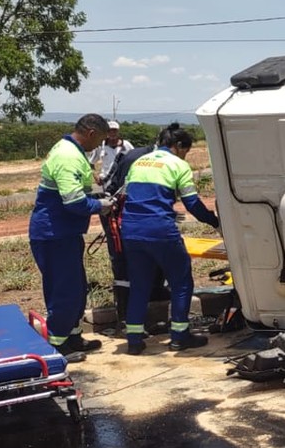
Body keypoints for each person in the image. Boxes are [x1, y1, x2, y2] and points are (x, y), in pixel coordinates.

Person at [119, 126, 219, 355]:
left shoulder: (140, 162)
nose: (185, 155)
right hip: (160, 230)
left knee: (139, 285)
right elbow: (192, 204)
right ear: (179, 146)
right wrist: (214, 222)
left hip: (131, 230)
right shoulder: (178, 165)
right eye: (186, 151)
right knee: (181, 282)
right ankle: (180, 336)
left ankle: (134, 340)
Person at [29, 114, 113, 359]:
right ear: (90, 132)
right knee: (63, 290)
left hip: (66, 232)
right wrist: (101, 206)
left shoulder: (73, 152)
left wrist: (96, 197)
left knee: (76, 289)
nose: (98, 146)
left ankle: (74, 337)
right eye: (99, 140)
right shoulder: (67, 156)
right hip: (54, 234)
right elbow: (74, 202)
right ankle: (59, 345)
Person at [100, 123, 180, 326]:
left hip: (136, 218)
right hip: (121, 218)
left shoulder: (142, 155)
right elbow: (121, 192)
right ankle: (127, 319)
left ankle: (147, 315)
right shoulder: (138, 159)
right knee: (125, 266)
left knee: (148, 263)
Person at [92, 120, 134, 186]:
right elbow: (91, 163)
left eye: (114, 131)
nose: (112, 133)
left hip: (123, 180)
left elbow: (135, 159)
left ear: (118, 132)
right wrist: (96, 176)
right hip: (106, 181)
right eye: (109, 131)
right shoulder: (101, 145)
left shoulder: (126, 145)